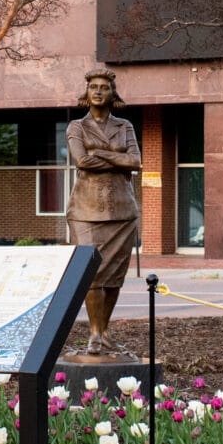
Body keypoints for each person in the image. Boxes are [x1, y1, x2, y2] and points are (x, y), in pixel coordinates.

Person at [66, 67, 141, 355]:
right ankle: (94, 334)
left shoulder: (125, 126)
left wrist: (103, 154)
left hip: (122, 210)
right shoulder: (77, 127)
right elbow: (82, 161)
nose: (98, 91)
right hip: (86, 209)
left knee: (113, 275)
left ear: (113, 93)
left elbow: (136, 162)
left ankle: (105, 332)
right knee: (93, 273)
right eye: (93, 86)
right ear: (87, 93)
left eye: (104, 87)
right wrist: (117, 159)